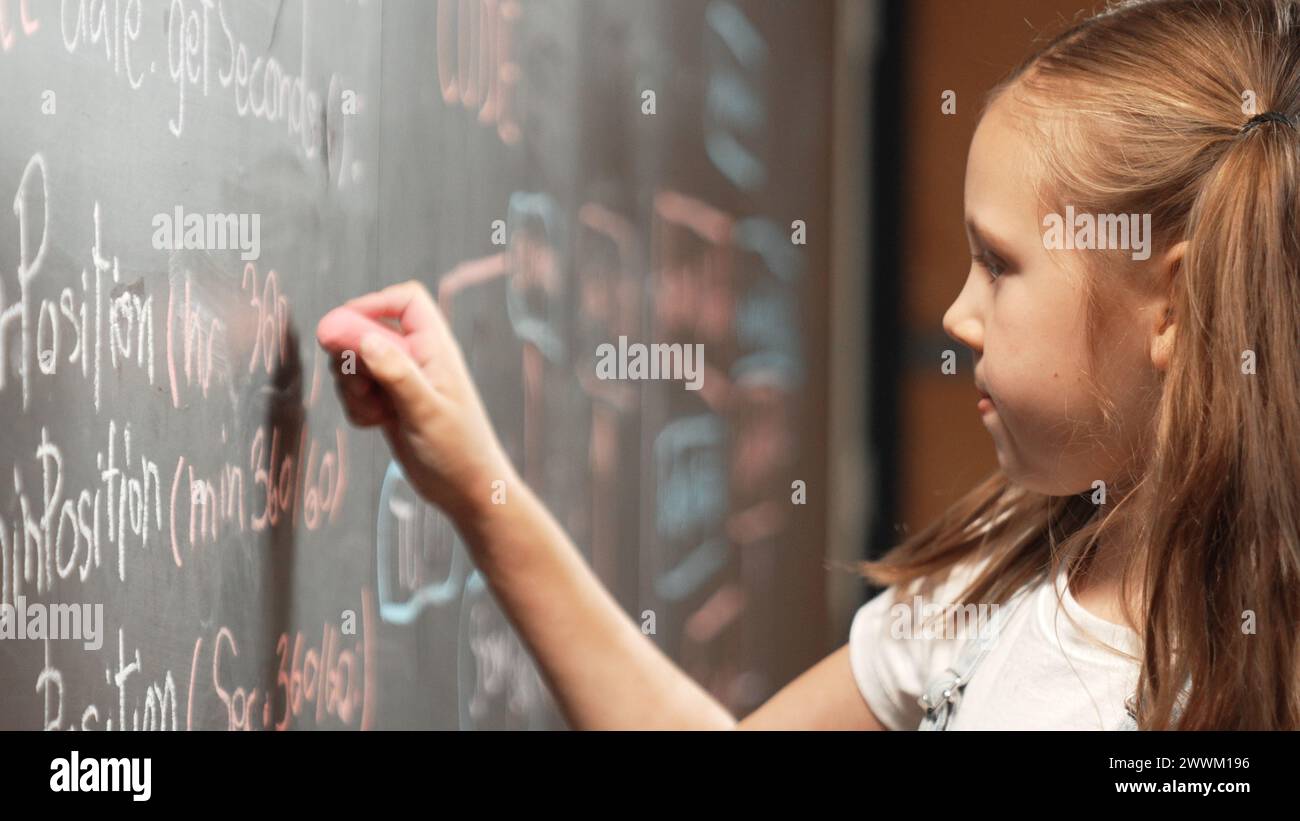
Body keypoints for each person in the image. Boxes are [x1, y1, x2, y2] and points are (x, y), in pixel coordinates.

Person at [317, 0, 1300, 729]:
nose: (957, 314)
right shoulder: (1002, 583)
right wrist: (477, 481)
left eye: (998, 266)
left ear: (1167, 305)